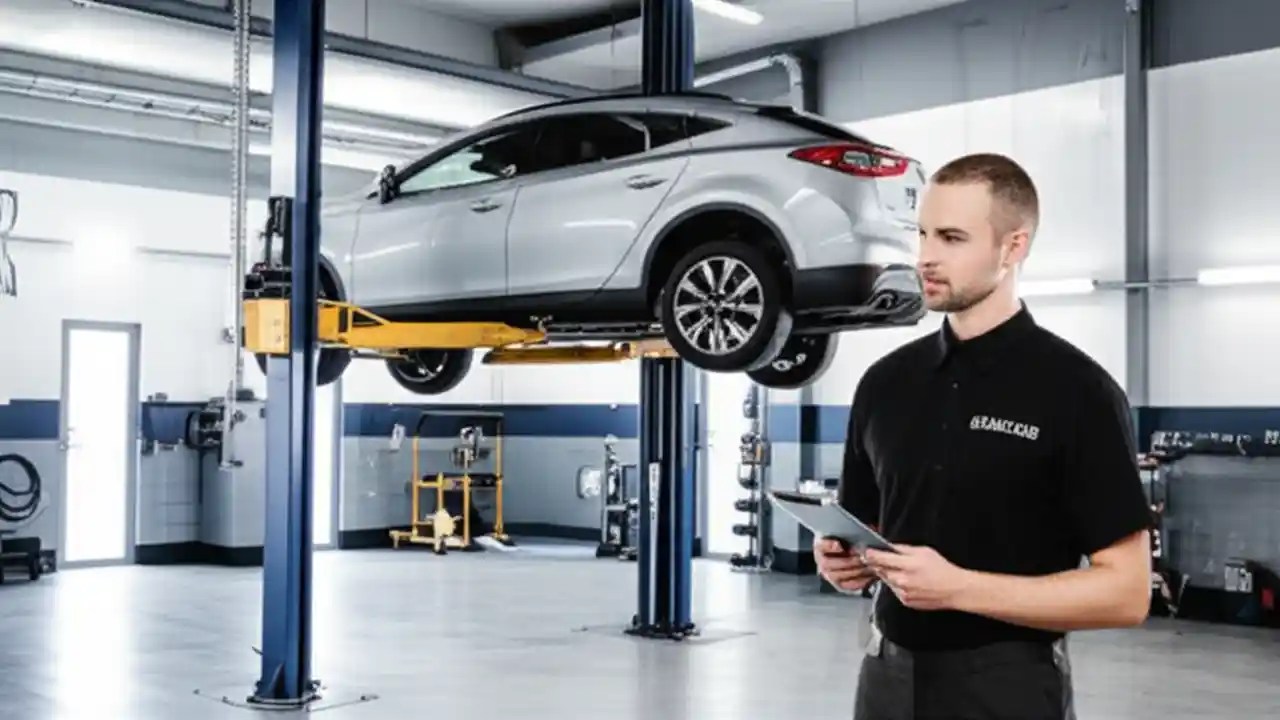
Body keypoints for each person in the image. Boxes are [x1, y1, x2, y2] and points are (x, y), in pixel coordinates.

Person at [814, 152, 1153, 720]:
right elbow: (868, 529)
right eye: (922, 233)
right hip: (886, 679)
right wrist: (843, 560)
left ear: (1013, 246)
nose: (926, 257)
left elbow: (1127, 593)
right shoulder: (884, 384)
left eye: (951, 238)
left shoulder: (1078, 392)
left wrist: (957, 589)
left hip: (1007, 685)